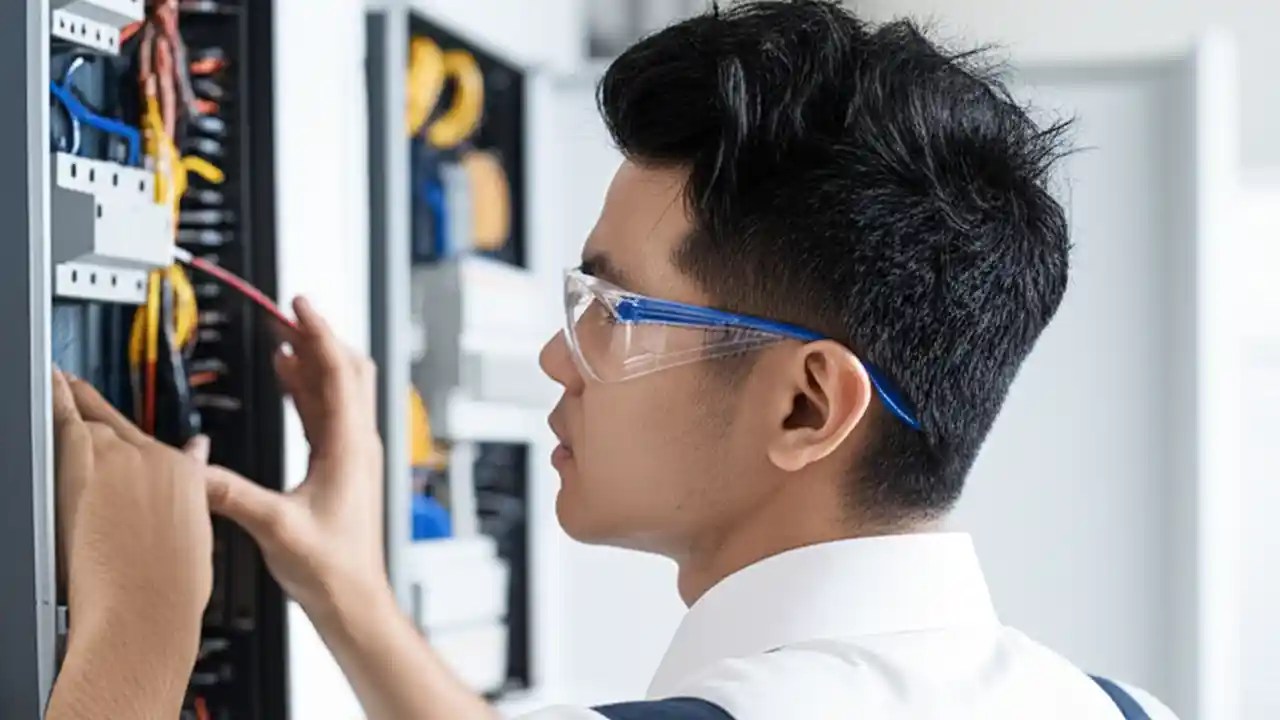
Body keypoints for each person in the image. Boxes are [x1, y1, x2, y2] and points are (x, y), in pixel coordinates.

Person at [46, 2, 1179, 718]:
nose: (554, 354)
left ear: (803, 402)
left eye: (611, 309)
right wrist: (346, 588)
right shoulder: (1119, 708)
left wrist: (139, 636)